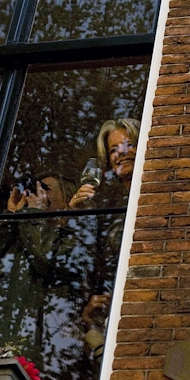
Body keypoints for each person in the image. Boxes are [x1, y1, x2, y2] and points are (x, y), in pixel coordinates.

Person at [0, 172, 86, 380]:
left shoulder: (74, 238)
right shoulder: (22, 227)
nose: (36, 193)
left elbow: (45, 260)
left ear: (65, 201)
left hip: (43, 343)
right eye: (35, 188)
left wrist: (33, 215)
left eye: (45, 188)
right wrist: (12, 216)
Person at [69, 118, 138, 357]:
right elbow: (79, 259)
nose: (121, 153)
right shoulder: (106, 208)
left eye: (129, 144)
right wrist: (75, 214)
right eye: (113, 150)